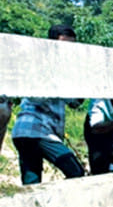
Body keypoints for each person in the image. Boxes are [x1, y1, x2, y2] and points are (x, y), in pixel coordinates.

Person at [11, 24, 86, 185]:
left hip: (26, 131)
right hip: (36, 129)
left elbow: (74, 102)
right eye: (64, 46)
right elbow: (39, 96)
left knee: (32, 185)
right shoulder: (44, 66)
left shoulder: (63, 69)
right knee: (76, 172)